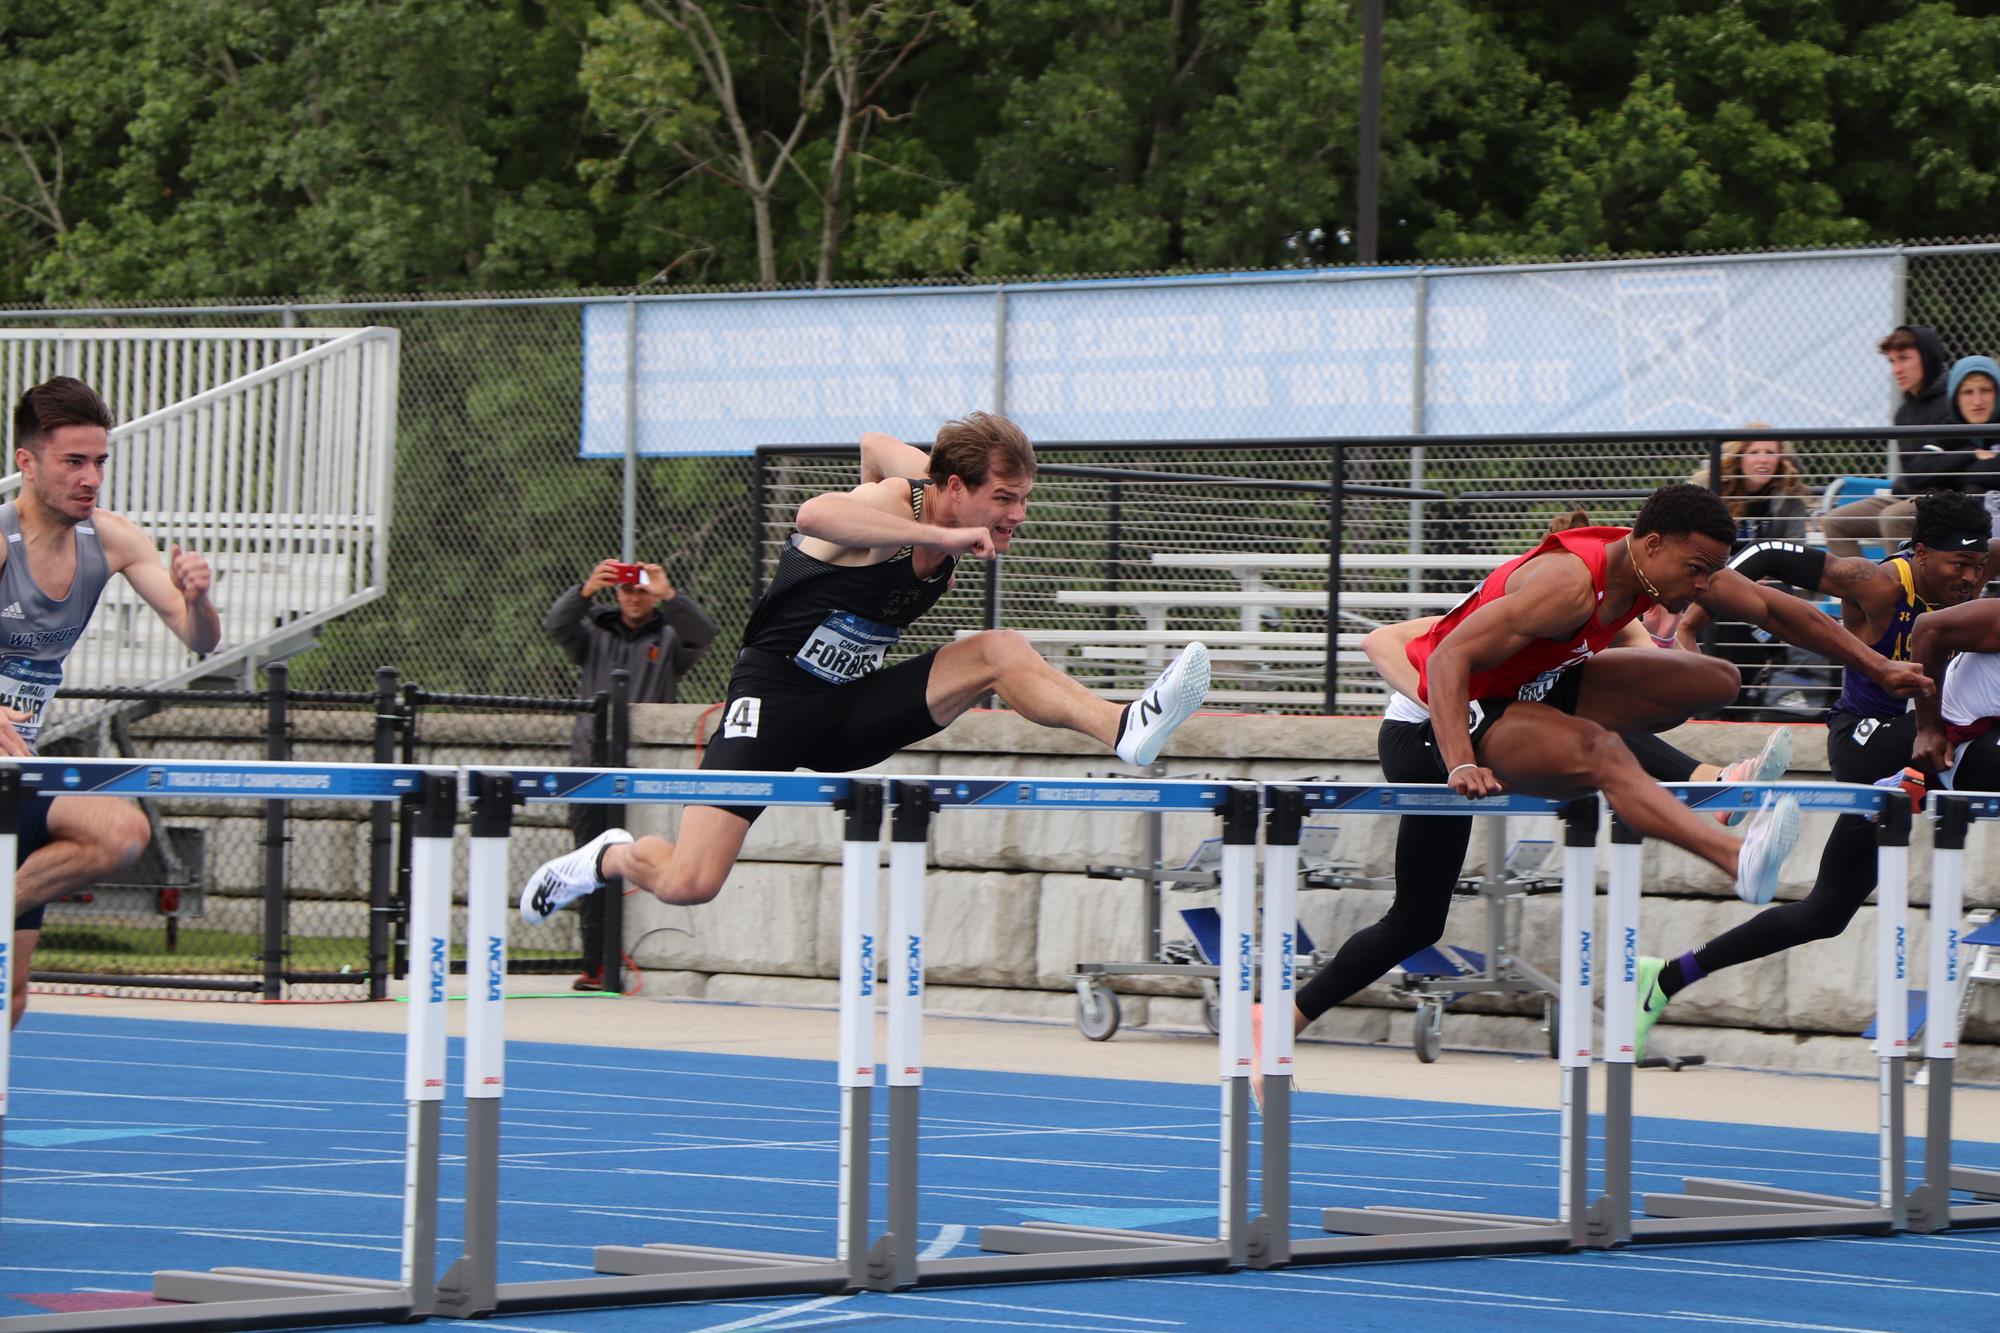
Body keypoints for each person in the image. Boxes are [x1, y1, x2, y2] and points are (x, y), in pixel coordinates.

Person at [1252, 484, 1933, 1098]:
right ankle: (1733, 855)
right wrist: (1460, 761)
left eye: (1709, 572)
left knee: (1715, 678)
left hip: (1522, 695)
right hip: (1439, 718)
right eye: (1694, 569)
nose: (1700, 584)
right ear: (1651, 543)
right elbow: (1450, 657)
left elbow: (1780, 612)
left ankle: (1278, 1017)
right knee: (1586, 763)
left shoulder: (1649, 574)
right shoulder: (1566, 585)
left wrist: (1877, 664)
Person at [517, 412, 1210, 923]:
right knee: (690, 881)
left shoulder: (925, 479)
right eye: (1003, 500)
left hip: (852, 705)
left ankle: (1122, 724)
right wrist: (937, 532)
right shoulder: (895, 508)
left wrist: (926, 495)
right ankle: (607, 855)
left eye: (1023, 500)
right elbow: (814, 511)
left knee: (998, 651)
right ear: (955, 487)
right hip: (774, 702)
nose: (1016, 516)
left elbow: (874, 442)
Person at [1635, 488, 1993, 1057]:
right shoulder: (1875, 582)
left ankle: (1666, 977)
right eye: (1958, 566)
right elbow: (1769, 555)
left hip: (1928, 743)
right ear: (1921, 553)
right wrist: (1693, 621)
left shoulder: (1970, 569)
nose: (1970, 581)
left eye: (1980, 568)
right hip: (1866, 741)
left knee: (1825, 912)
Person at [5, 377, 221, 1027]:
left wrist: (197, 598)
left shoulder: (115, 540)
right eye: (74, 461)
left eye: (100, 461)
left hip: (18, 774)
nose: (91, 478)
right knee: (119, 825)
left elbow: (199, 640)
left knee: (11, 998)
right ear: (28, 461)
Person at [542, 559, 718, 989]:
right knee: (590, 860)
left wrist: (670, 595)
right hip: (590, 763)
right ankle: (596, 964)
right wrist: (585, 591)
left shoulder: (668, 637)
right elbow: (556, 626)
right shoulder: (594, 634)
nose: (634, 597)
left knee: (640, 861)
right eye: (626, 590)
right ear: (615, 593)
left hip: (643, 770)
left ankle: (626, 960)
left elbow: (704, 634)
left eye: (641, 590)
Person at [1824, 326, 1958, 559]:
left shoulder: (1954, 401)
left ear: (1928, 357)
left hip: (1945, 501)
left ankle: (1899, 592)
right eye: (1892, 361)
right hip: (1909, 497)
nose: (1897, 369)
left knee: (1893, 517)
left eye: (1904, 359)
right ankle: (1862, 592)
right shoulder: (1903, 413)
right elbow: (1913, 471)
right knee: (1835, 522)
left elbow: (1934, 470)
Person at [1689, 429, 1811, 547]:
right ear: (1739, 457)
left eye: (1770, 452)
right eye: (1754, 452)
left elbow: (1797, 548)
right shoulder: (1713, 488)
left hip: (1769, 565)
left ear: (1780, 459)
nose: (1763, 460)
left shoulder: (1790, 497)